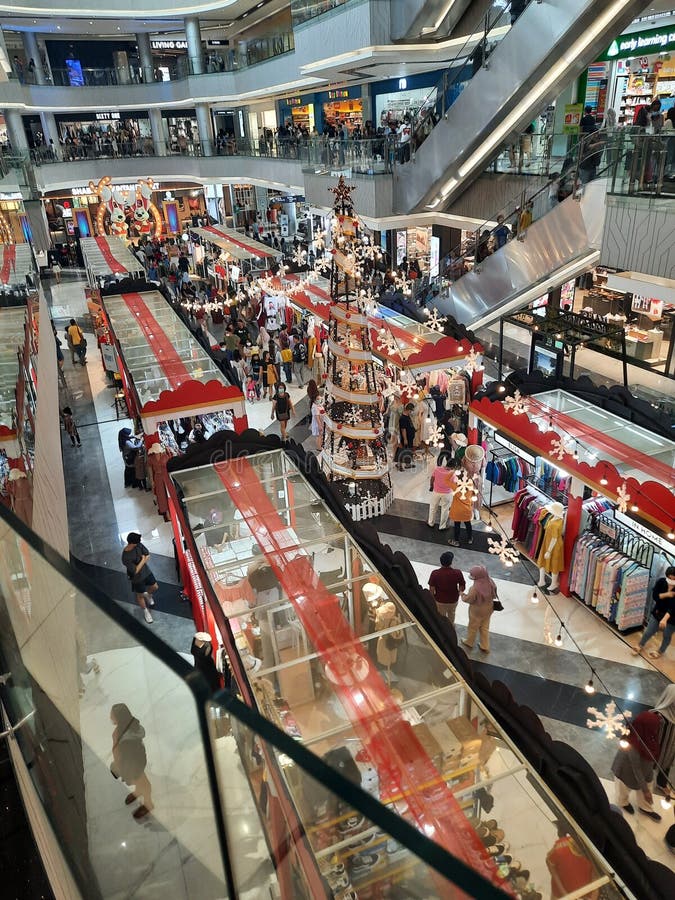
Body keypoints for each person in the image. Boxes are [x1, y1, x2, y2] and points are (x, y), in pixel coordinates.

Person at [610, 710, 662, 822]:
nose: (657, 729)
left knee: (648, 784)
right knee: (623, 789)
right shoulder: (632, 742)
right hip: (624, 769)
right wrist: (646, 791)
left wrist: (647, 781)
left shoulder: (649, 736)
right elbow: (636, 768)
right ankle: (623, 803)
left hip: (645, 770)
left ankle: (645, 808)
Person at [110, 703, 153, 820]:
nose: (110, 717)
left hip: (133, 763)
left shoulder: (124, 737)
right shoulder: (126, 728)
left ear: (119, 717)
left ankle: (148, 804)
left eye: (112, 715)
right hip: (131, 762)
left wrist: (120, 766)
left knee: (143, 782)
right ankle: (138, 791)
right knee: (139, 781)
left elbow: (125, 754)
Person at [633, 566, 675, 659]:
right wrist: (667, 594)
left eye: (674, 579)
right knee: (649, 631)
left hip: (672, 617)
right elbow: (655, 596)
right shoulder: (661, 582)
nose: (671, 580)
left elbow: (673, 607)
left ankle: (661, 651)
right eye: (670, 578)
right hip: (658, 611)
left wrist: (664, 619)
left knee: (667, 635)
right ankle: (640, 645)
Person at [121, 532, 159, 624]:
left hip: (146, 571)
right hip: (136, 578)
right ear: (132, 543)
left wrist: (142, 561)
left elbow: (147, 555)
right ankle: (145, 611)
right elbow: (135, 571)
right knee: (140, 595)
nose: (139, 543)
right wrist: (143, 560)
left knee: (155, 587)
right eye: (137, 542)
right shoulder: (125, 557)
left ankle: (148, 595)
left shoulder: (138, 545)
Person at [461, 565, 498, 653]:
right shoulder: (491, 582)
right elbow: (495, 593)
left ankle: (469, 642)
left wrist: (462, 595)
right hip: (489, 608)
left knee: (473, 626)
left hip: (477, 611)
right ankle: (485, 645)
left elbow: (468, 599)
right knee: (485, 627)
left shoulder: (475, 589)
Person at [428, 552, 465, 626]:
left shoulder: (435, 573)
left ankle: (443, 630)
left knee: (441, 617)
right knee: (452, 614)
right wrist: (459, 592)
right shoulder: (457, 573)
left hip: (440, 600)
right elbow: (462, 586)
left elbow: (431, 589)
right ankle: (451, 627)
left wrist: (432, 599)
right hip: (453, 600)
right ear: (451, 562)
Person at [427, 456, 456, 530]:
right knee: (445, 509)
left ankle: (430, 523)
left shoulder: (438, 469)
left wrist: (431, 486)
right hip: (447, 494)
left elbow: (432, 478)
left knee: (433, 507)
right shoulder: (452, 474)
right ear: (453, 466)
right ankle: (442, 526)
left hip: (436, 491)